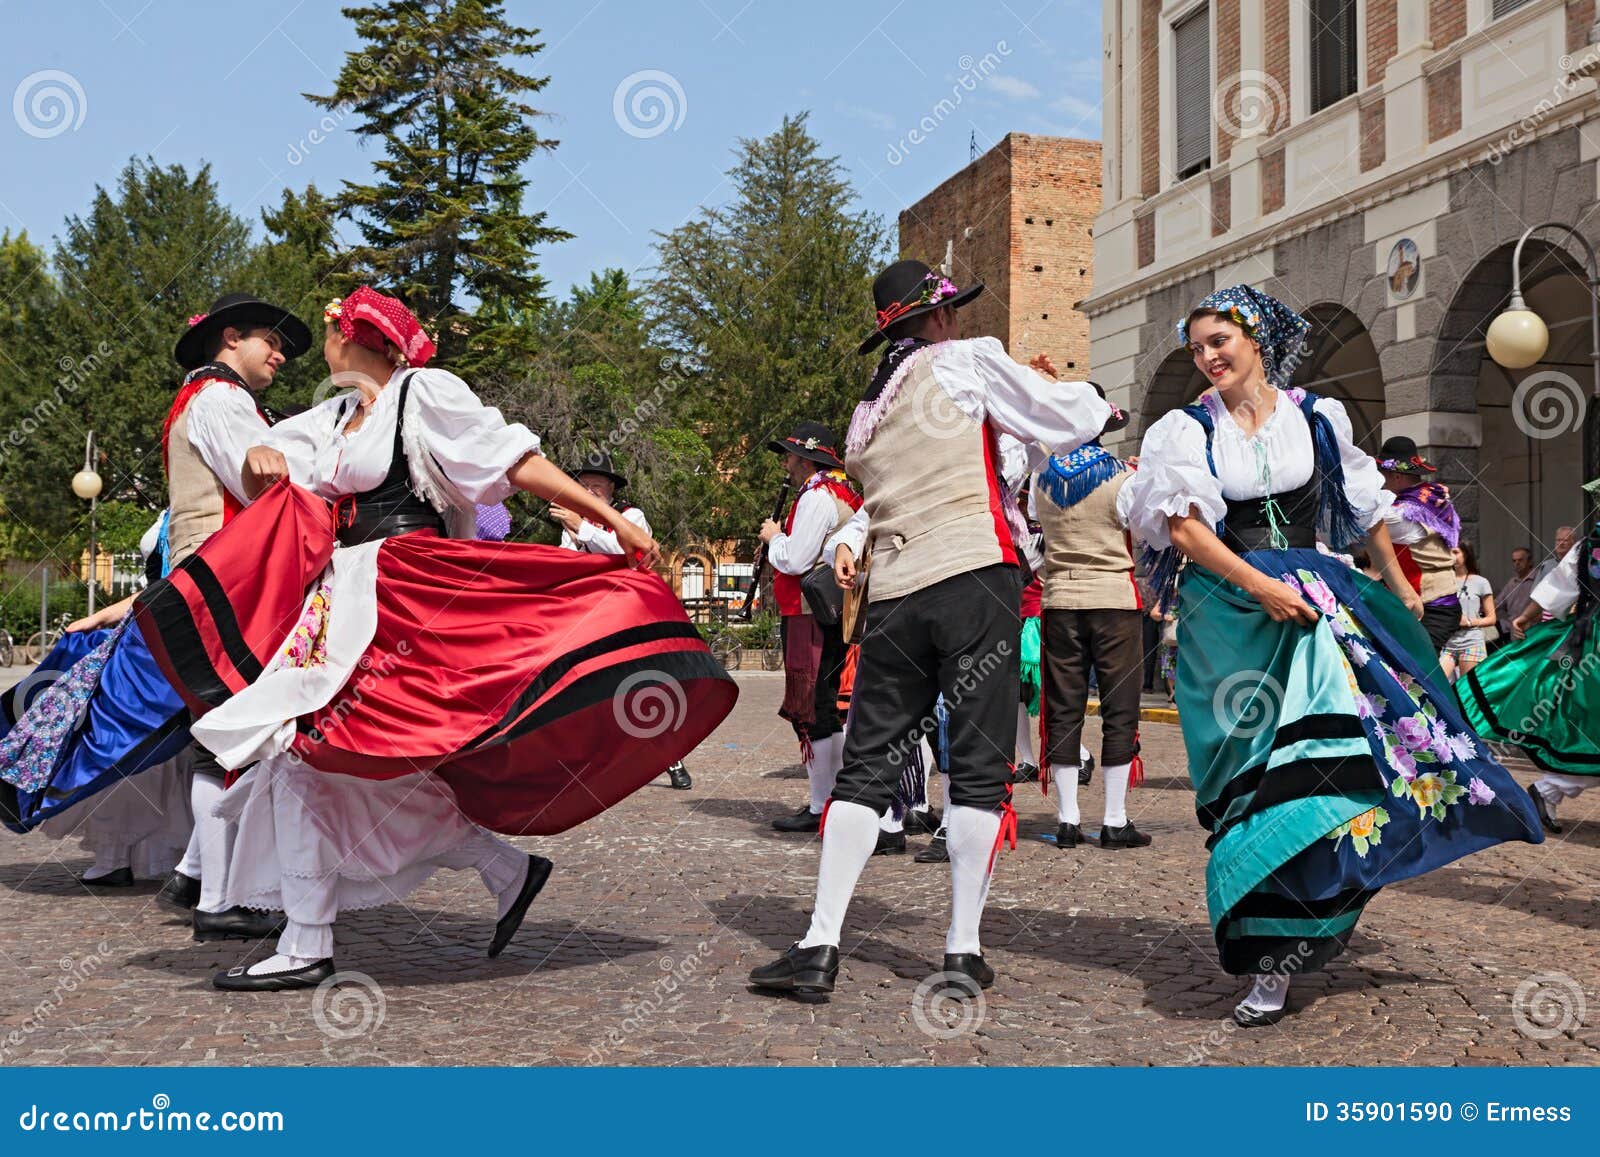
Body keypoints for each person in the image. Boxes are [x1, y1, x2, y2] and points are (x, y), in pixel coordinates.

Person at [132, 286, 735, 991]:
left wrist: (615, 521)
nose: (313, 347)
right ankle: (490, 873)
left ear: (353, 336)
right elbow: (265, 456)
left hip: (406, 592)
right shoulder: (331, 416)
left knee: (310, 756)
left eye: (327, 331)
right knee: (328, 759)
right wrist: (262, 455)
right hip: (338, 602)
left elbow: (514, 463)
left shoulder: (421, 394)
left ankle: (311, 941)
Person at [1123, 284, 1541, 1027]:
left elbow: (1363, 503)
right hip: (1229, 613)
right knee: (1248, 782)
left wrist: (1396, 585)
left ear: (1257, 339)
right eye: (1197, 347)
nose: (1208, 356)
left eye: (1220, 340)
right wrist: (1260, 586)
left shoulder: (1318, 416)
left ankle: (1285, 953)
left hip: (1314, 606)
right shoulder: (1183, 430)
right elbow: (1184, 531)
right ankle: (1265, 938)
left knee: (1331, 766)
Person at [748, 259, 1111, 1001]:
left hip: (896, 596)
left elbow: (903, 491)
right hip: (975, 578)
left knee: (868, 763)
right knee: (976, 764)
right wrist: (1082, 400)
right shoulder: (966, 360)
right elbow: (1067, 418)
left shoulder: (866, 413)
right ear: (940, 316)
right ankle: (962, 948)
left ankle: (818, 943)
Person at [1032, 382, 1150, 850]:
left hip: (1060, 599)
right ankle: (1115, 819)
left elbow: (1035, 536)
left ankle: (1068, 818)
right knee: (1120, 706)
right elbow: (1144, 531)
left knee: (1064, 706)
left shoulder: (1041, 478)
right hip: (1113, 600)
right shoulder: (1123, 477)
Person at [1458, 489, 1599, 834]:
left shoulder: (1585, 547)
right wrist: (1524, 616)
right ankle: (1547, 790)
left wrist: (1525, 616)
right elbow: (1558, 588)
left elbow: (1557, 589)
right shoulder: (1584, 548)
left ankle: (1548, 791)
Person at [551, 450, 691, 791]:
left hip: (628, 611)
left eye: (596, 486)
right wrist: (576, 532)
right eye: (584, 486)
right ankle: (590, 764)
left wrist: (582, 527)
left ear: (611, 488)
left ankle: (671, 758)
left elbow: (623, 549)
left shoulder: (631, 515)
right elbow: (568, 561)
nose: (589, 492)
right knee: (588, 687)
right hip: (590, 612)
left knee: (642, 686)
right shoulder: (576, 521)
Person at [759, 423, 864, 836]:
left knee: (813, 708)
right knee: (823, 705)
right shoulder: (839, 490)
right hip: (824, 612)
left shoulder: (817, 496)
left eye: (789, 455)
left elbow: (797, 559)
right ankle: (833, 797)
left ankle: (824, 804)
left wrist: (774, 538)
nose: (785, 462)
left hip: (809, 613)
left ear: (805, 459)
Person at [1377, 436, 1463, 656]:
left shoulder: (1408, 511)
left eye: (1381, 474)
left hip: (1431, 605)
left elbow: (1369, 522)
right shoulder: (1429, 497)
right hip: (1422, 603)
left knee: (1419, 670)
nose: (1378, 481)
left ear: (1396, 476)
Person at [1440, 541, 1495, 683]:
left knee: (1467, 687)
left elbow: (1491, 618)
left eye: (1456, 552)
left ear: (1466, 554)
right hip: (1447, 642)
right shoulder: (1442, 580)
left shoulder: (1481, 582)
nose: (1452, 556)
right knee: (1438, 682)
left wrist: (1469, 622)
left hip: (1471, 641)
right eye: (1449, 552)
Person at [1495, 546, 1540, 635]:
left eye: (1520, 560)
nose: (1517, 563)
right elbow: (1497, 603)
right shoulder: (1512, 582)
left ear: (1530, 562)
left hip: (1533, 630)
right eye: (1514, 561)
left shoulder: (1539, 578)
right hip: (1511, 630)